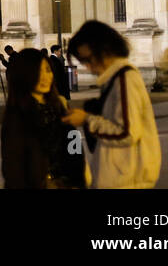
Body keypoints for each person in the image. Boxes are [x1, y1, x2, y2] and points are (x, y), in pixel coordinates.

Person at [61, 20, 161, 189]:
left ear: (105, 50)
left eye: (88, 59)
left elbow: (126, 132)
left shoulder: (124, 79)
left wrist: (87, 120)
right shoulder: (116, 79)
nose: (88, 67)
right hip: (122, 177)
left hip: (126, 179)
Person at [0, 48, 86, 188]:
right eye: (38, 72)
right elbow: (13, 169)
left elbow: (75, 145)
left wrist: (78, 179)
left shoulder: (60, 106)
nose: (45, 77)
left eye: (47, 70)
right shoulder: (17, 116)